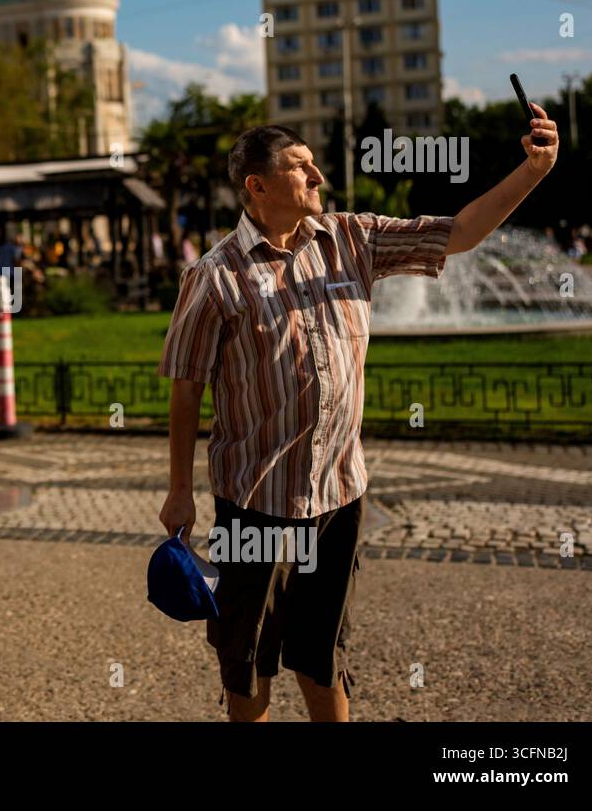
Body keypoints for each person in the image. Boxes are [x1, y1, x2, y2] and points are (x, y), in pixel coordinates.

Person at [156, 108, 559, 722]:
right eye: (299, 166)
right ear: (256, 187)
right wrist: (179, 491)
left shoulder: (353, 238)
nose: (318, 174)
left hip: (339, 496)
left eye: (314, 163)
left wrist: (534, 170)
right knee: (248, 662)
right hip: (255, 501)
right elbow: (185, 389)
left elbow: (461, 232)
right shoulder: (213, 277)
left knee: (322, 656)